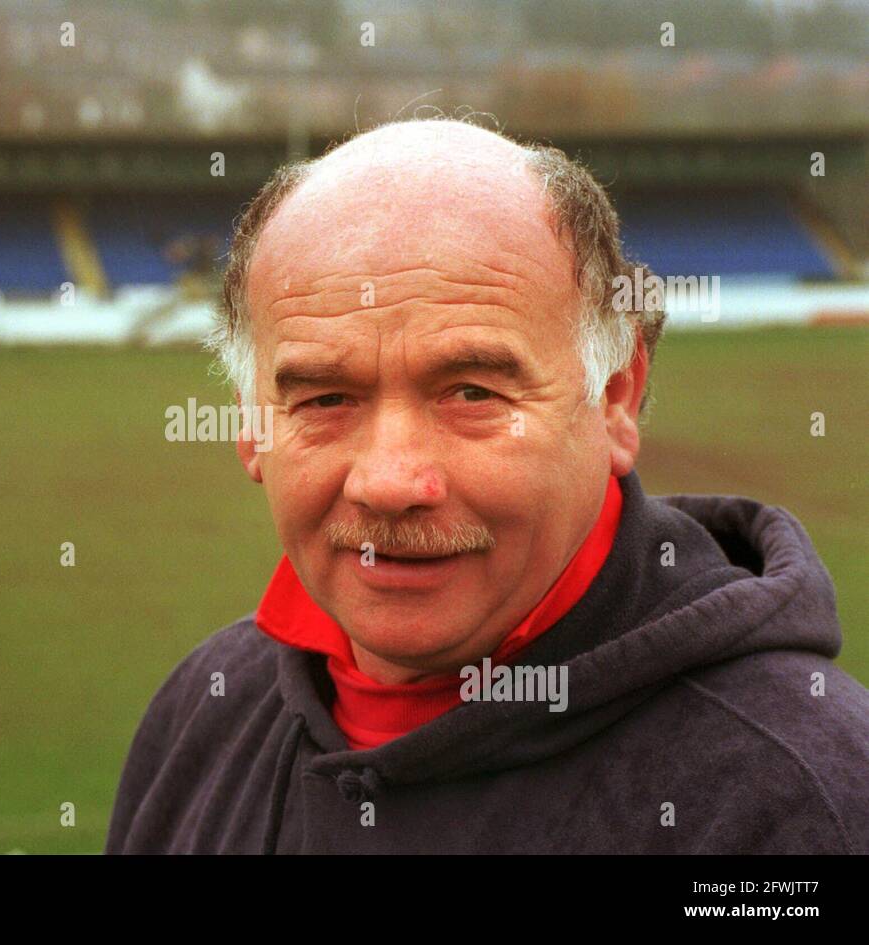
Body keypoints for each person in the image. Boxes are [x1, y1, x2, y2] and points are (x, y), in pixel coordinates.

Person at [106, 118, 869, 854]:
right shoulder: (199, 714)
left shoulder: (802, 801)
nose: (390, 482)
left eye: (471, 392)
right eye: (325, 400)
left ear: (614, 396)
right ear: (250, 425)